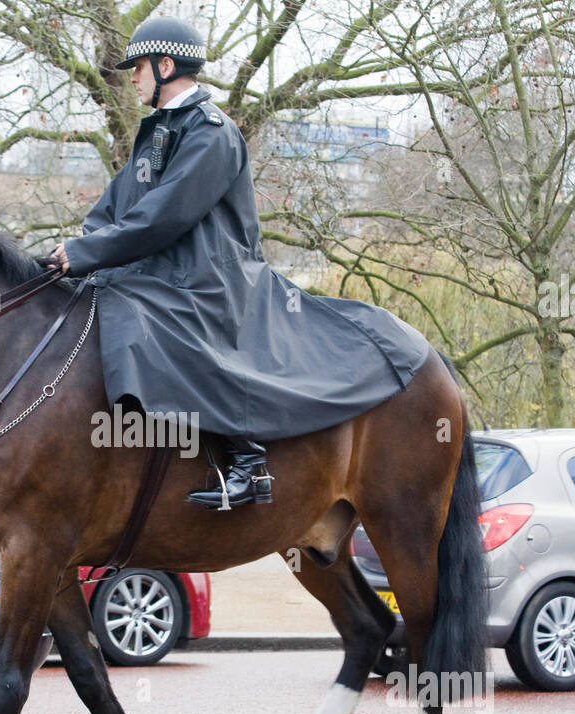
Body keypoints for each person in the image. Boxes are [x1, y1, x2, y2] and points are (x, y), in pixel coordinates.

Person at [51, 16, 432, 509]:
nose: (133, 76)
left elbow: (165, 217)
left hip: (210, 279)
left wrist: (87, 254)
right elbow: (113, 208)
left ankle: (248, 459)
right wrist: (73, 252)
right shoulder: (156, 134)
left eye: (139, 67)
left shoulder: (213, 133)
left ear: (166, 66)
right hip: (162, 271)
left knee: (134, 315)